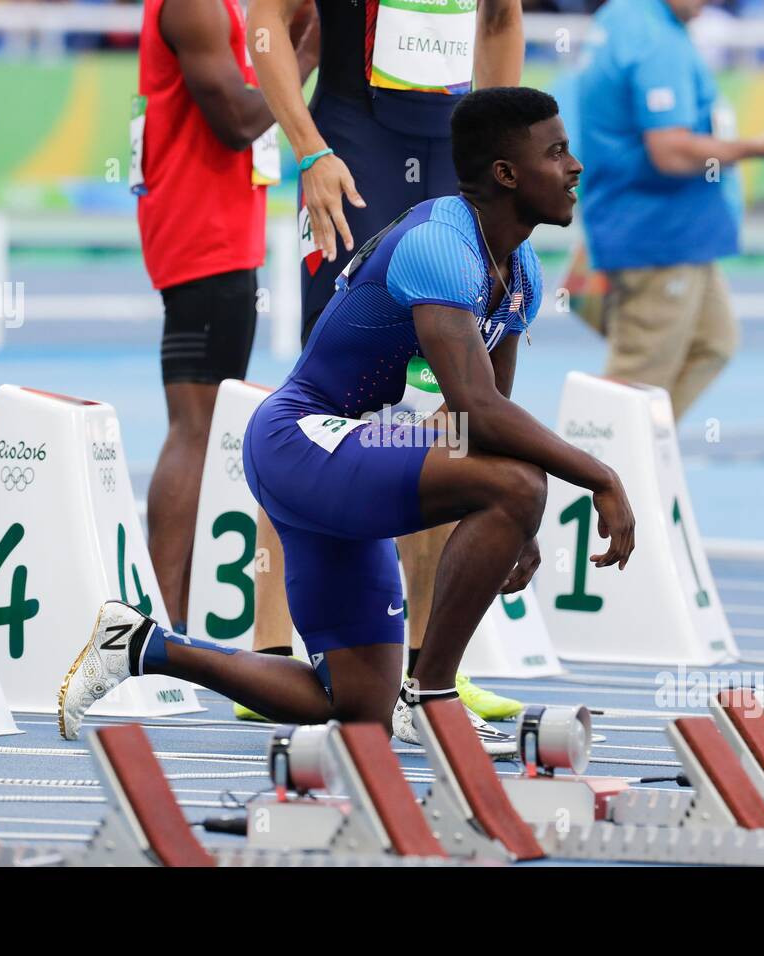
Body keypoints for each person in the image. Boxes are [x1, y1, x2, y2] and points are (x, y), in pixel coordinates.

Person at [58, 88, 635, 747]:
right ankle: (431, 694)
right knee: (519, 484)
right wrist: (600, 477)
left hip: (355, 455)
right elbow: (480, 412)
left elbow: (476, 424)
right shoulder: (441, 243)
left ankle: (139, 645)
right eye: (557, 151)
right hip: (299, 442)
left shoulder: (522, 271)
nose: (575, 166)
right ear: (506, 173)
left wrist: (509, 522)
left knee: (357, 700)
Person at [235, 0, 528, 730]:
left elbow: (499, 23)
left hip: (450, 157)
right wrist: (307, 149)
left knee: (448, 409)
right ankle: (271, 644)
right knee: (329, 395)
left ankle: (429, 668)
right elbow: (267, 19)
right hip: (350, 152)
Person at [133, 0, 316, 630]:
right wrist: (309, 56)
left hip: (219, 233)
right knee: (196, 426)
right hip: (199, 234)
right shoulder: (193, 5)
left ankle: (168, 616)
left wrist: (295, 38)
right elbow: (237, 121)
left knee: (202, 428)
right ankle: (160, 617)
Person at [576, 0, 764, 420]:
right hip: (659, 234)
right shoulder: (655, 39)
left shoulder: (621, 17)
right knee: (637, 377)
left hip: (663, 228)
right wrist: (758, 149)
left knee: (711, 343)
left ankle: (641, 453)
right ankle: (596, 474)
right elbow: (671, 151)